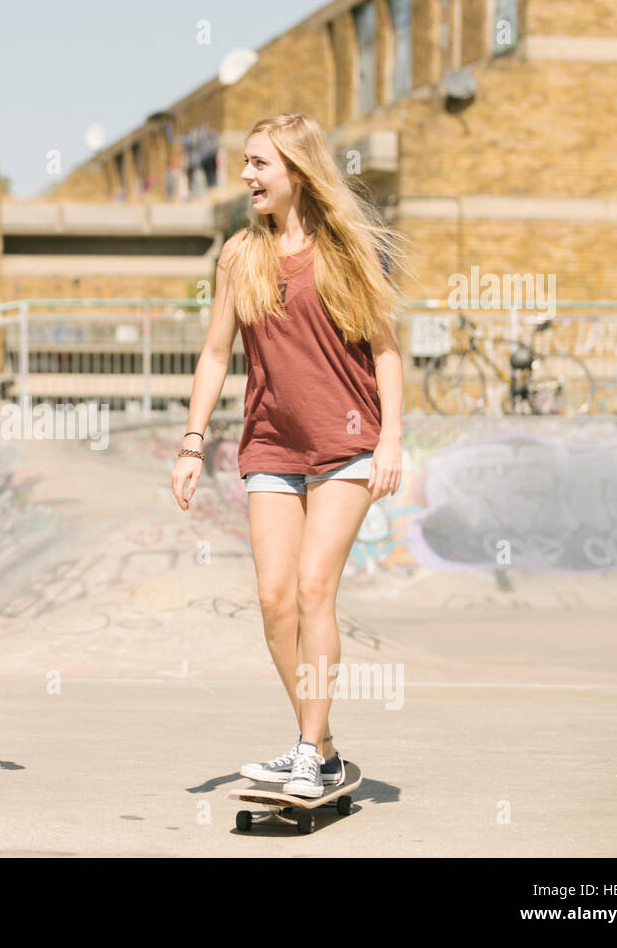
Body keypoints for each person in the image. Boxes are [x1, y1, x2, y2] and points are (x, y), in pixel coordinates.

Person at [170, 112, 405, 798]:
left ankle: (306, 747)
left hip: (346, 443)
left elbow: (386, 349)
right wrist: (192, 443)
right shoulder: (240, 256)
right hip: (270, 443)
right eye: (244, 163)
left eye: (258, 164)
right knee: (275, 602)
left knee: (311, 589)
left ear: (297, 172)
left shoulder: (346, 249)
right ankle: (322, 746)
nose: (246, 176)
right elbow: (216, 353)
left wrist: (390, 436)